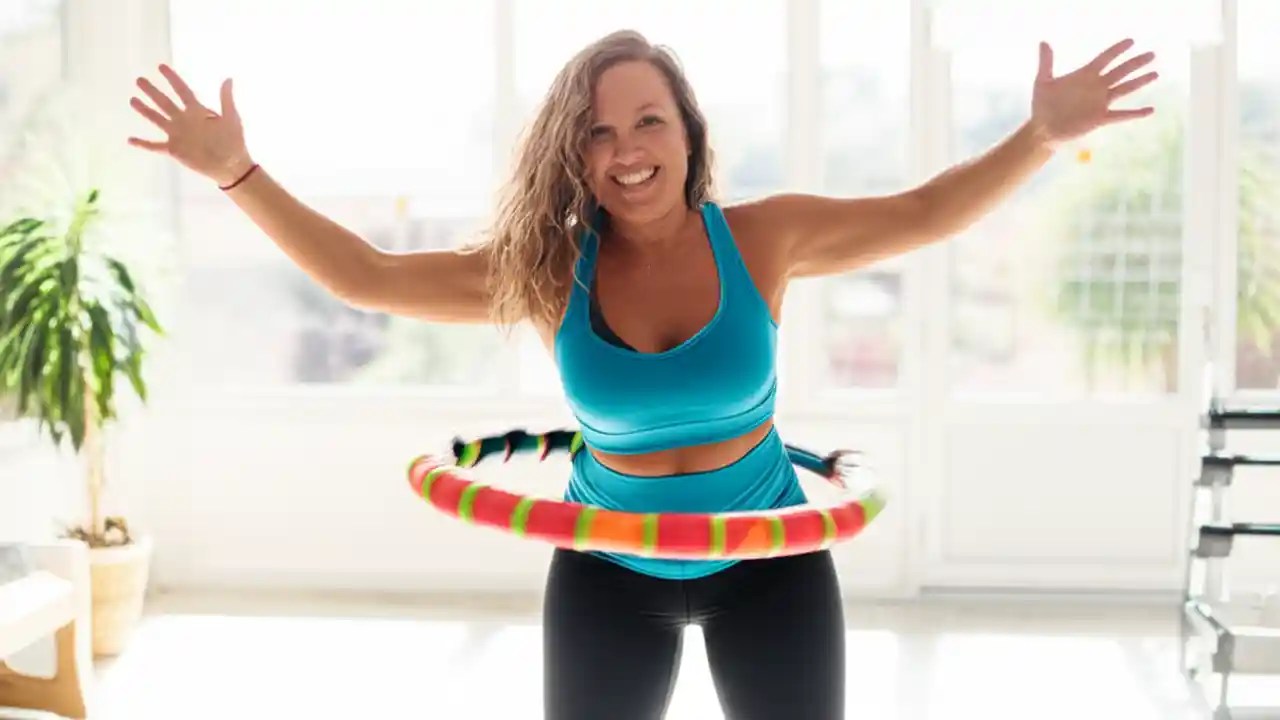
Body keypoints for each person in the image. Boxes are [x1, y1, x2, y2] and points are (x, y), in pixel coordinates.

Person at [128, 29, 1156, 720]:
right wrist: (235, 173)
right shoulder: (544, 273)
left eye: (648, 120)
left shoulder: (764, 239)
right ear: (574, 157)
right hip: (605, 574)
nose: (626, 150)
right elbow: (368, 276)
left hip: (771, 567)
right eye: (599, 132)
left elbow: (923, 214)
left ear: (689, 132)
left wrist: (1039, 136)